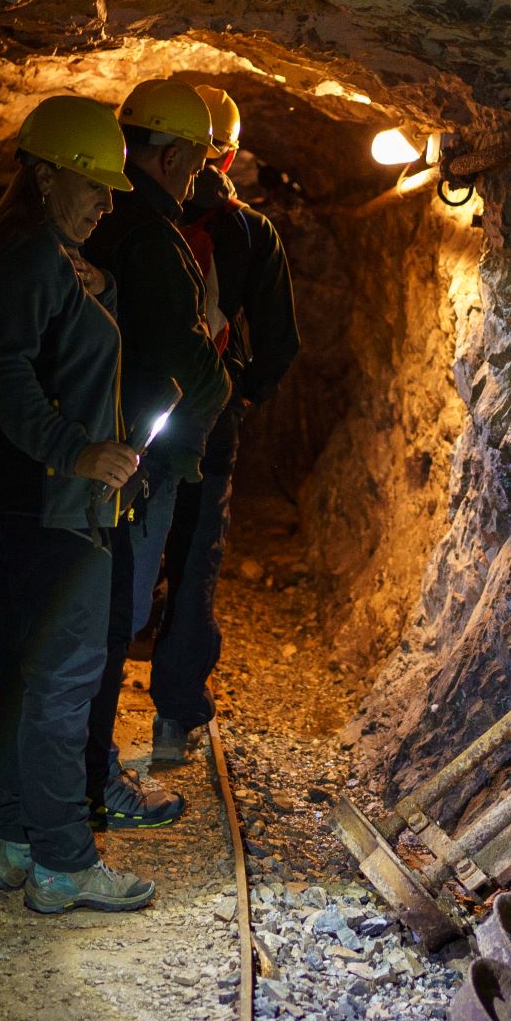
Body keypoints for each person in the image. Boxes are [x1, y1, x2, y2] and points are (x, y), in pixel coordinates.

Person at [0, 95, 162, 915]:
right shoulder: (28, 256)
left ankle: (10, 840)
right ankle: (63, 864)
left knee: (25, 674)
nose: (106, 202)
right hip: (51, 505)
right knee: (62, 682)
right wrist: (77, 452)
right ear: (44, 176)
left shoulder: (35, 251)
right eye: (91, 184)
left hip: (31, 499)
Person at [78, 79, 232, 828]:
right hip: (135, 461)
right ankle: (94, 777)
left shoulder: (102, 219)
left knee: (89, 618)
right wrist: (205, 409)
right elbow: (181, 355)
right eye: (197, 161)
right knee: (114, 620)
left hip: (92, 452)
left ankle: (61, 775)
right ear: (169, 156)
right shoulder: (151, 232)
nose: (202, 175)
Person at [145, 86, 301, 769]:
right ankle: (175, 717)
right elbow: (280, 343)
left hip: (126, 412)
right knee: (194, 557)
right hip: (206, 420)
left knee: (115, 548)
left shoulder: (124, 217)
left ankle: (80, 713)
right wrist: (240, 401)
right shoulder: (250, 232)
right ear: (229, 154)